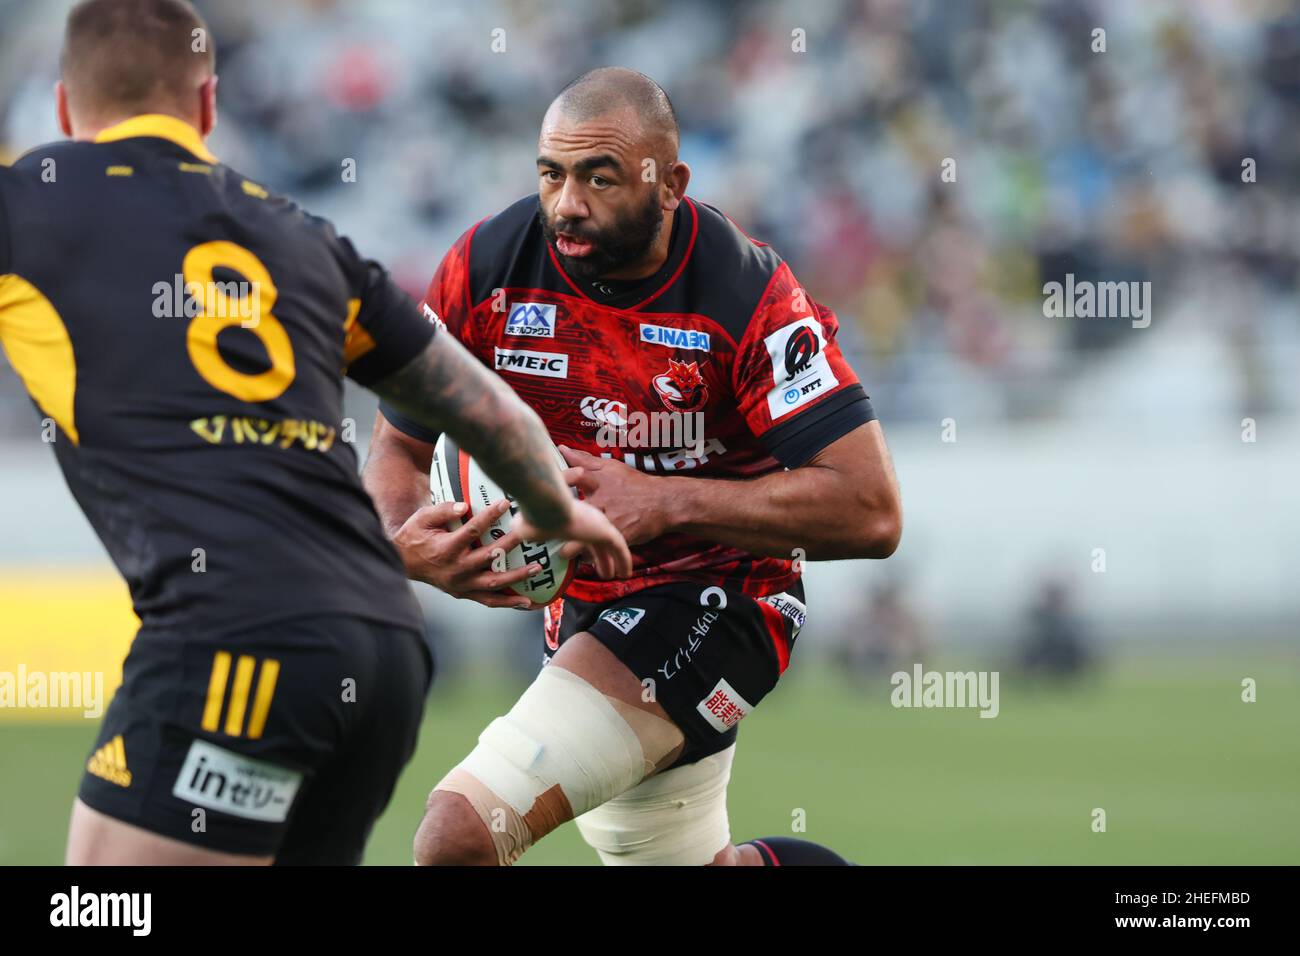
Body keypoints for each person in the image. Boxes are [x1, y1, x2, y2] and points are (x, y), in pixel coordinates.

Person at [0, 0, 628, 865]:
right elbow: (477, 400)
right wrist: (557, 510)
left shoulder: (29, 202)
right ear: (209, 106)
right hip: (385, 653)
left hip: (236, 641)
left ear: (66, 111)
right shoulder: (302, 235)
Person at [363, 68, 903, 865]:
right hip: (582, 611)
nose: (567, 203)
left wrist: (663, 500)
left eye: (598, 177)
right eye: (552, 174)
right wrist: (407, 542)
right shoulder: (487, 266)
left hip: (723, 600)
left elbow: (871, 511)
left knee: (457, 837)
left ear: (670, 184)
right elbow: (399, 447)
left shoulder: (747, 295)